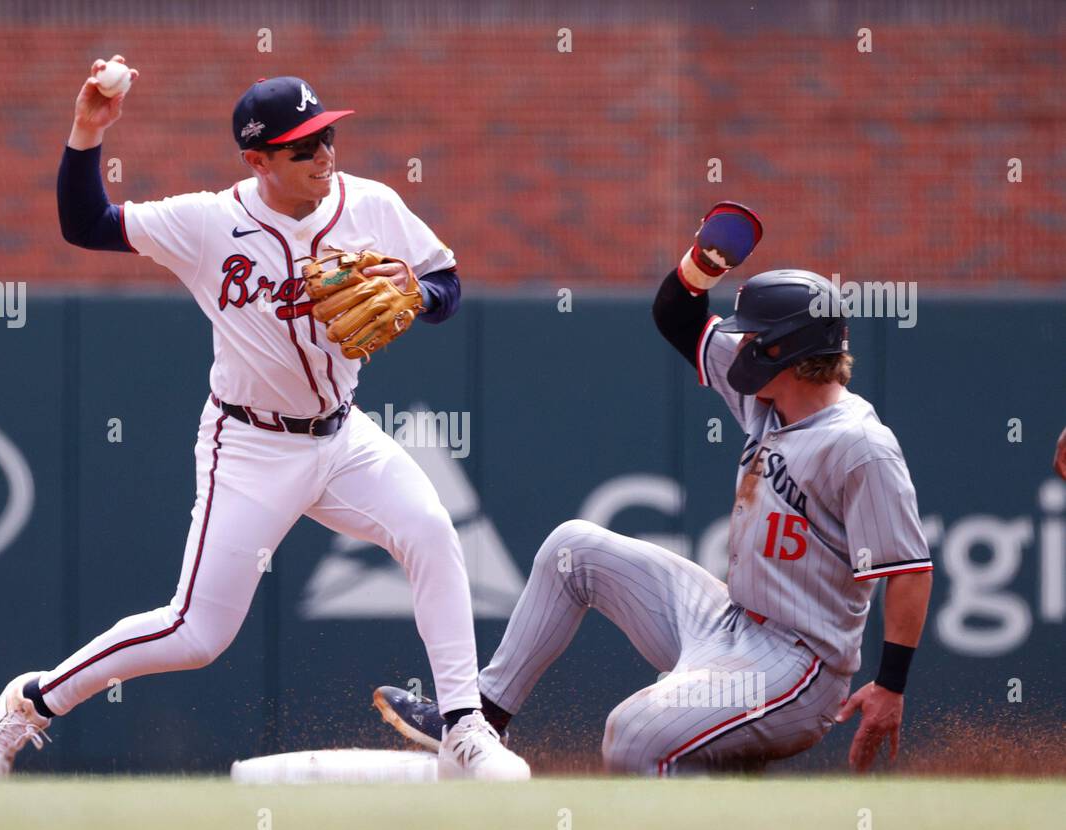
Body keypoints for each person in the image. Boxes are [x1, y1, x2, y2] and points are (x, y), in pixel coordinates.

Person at [0, 60, 528, 782]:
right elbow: (85, 224)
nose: (324, 156)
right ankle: (25, 708)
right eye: (302, 147)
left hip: (343, 436)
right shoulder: (207, 223)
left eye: (326, 137)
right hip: (250, 445)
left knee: (433, 531)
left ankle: (464, 729)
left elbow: (447, 282)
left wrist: (417, 290)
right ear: (258, 160)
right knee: (196, 632)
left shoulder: (371, 202)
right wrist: (87, 133)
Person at [375, 202, 934, 774]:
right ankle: (481, 721)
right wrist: (706, 262)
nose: (737, 345)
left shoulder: (859, 445)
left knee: (633, 737)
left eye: (751, 338)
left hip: (799, 665)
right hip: (728, 619)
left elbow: (909, 572)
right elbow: (677, 315)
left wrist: (890, 688)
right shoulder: (769, 396)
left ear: (784, 352)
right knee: (575, 551)